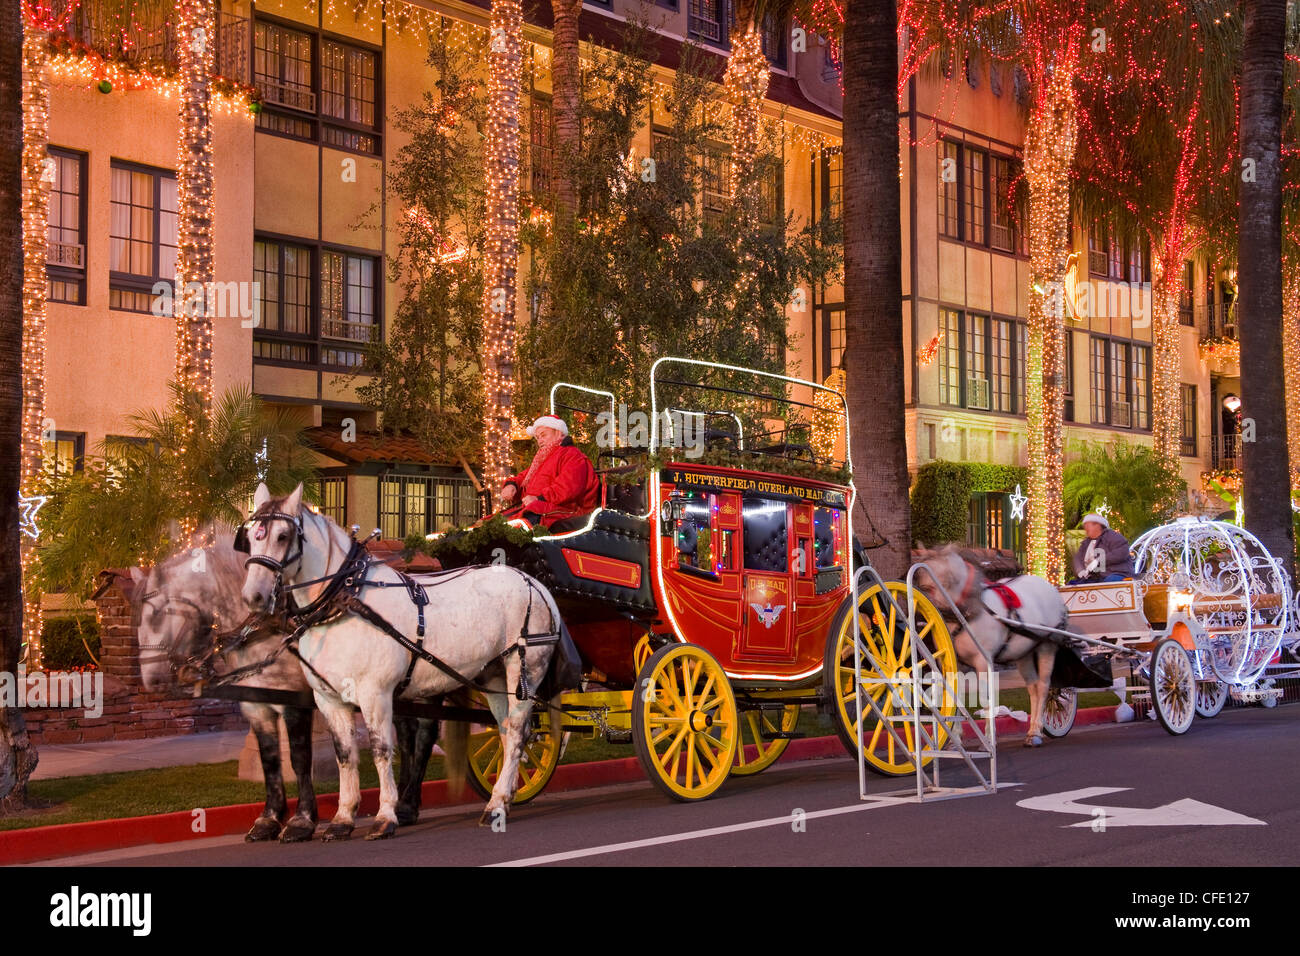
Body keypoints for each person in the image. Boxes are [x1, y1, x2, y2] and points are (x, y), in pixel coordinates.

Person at [499, 415, 600, 528]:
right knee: (494, 522)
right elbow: (523, 476)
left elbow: (568, 487)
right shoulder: (542, 459)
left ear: (558, 432)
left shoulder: (573, 455)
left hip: (563, 511)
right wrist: (511, 485)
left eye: (543, 435)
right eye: (537, 438)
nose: (540, 441)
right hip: (535, 508)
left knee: (512, 526)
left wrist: (539, 498)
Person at [1069, 512, 1135, 583]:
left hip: (1117, 573)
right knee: (1073, 584)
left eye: (1088, 525)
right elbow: (1078, 558)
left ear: (1098, 525)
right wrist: (1080, 571)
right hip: (1095, 578)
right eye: (1085, 525)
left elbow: (1121, 552)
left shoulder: (1113, 536)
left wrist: (1098, 560)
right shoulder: (1086, 543)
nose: (1085, 528)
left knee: (1109, 582)